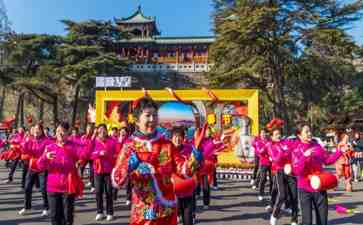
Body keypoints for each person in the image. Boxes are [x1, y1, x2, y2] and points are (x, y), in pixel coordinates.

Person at [111, 96, 202, 225]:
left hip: (167, 211)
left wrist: (196, 152)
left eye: (155, 115)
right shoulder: (129, 147)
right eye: (148, 116)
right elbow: (117, 181)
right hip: (144, 212)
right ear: (137, 120)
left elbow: (184, 172)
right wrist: (128, 166)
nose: (152, 120)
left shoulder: (167, 145)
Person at [37, 122, 90, 225]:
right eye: (57, 131)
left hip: (68, 187)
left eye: (63, 131)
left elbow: (86, 153)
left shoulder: (73, 146)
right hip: (52, 187)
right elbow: (40, 166)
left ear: (67, 133)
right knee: (55, 217)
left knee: (67, 217)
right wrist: (45, 157)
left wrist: (89, 134)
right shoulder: (50, 147)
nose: (60, 134)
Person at [292, 123, 342, 225]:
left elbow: (327, 160)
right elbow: (297, 171)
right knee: (307, 221)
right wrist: (305, 156)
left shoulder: (317, 146)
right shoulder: (296, 150)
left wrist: (339, 152)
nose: (310, 133)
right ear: (299, 135)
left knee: (322, 220)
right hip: (305, 189)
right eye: (306, 132)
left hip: (320, 186)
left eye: (310, 131)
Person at [266, 119, 298, 225]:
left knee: (294, 196)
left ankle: (294, 219)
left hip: (290, 171)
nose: (278, 136)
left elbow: (294, 150)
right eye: (275, 134)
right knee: (282, 195)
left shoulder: (286, 142)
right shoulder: (270, 146)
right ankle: (274, 215)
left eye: (279, 134)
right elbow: (276, 160)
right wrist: (282, 151)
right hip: (279, 172)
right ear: (271, 137)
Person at [19, 123, 53, 217]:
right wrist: (25, 141)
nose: (36, 131)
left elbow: (50, 152)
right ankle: (27, 207)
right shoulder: (31, 140)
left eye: (38, 129)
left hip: (43, 167)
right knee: (27, 187)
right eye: (34, 129)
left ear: (42, 131)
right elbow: (25, 151)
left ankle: (47, 208)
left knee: (43, 188)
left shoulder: (47, 141)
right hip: (33, 166)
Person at [171, 126, 197, 225]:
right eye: (175, 136)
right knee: (173, 216)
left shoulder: (189, 149)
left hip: (187, 188)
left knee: (188, 218)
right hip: (173, 190)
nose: (177, 139)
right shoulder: (168, 150)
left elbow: (196, 164)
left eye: (179, 136)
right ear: (171, 138)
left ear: (183, 138)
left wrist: (194, 164)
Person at [91, 124, 117, 221]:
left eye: (104, 129)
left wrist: (109, 155)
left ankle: (110, 212)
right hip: (98, 170)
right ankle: (100, 212)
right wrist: (99, 153)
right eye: (100, 130)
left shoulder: (112, 141)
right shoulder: (94, 141)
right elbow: (90, 154)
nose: (102, 131)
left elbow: (116, 154)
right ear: (97, 131)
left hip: (109, 170)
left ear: (106, 130)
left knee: (109, 192)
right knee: (98, 192)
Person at [251, 129, 271, 199]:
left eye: (264, 133)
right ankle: (260, 193)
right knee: (263, 178)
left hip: (271, 162)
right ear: (260, 134)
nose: (263, 134)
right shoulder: (258, 142)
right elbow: (260, 151)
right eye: (262, 133)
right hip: (263, 161)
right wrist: (266, 146)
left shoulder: (269, 141)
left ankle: (271, 193)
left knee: (272, 179)